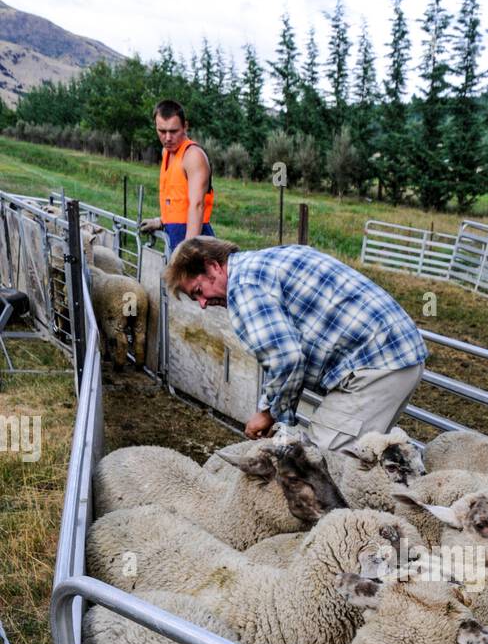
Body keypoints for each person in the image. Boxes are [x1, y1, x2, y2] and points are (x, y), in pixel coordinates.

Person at [163, 237, 428, 448]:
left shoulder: (243, 287)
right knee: (362, 458)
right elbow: (282, 354)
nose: (203, 304)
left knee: (323, 464)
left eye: (198, 292)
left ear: (213, 266)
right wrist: (270, 408)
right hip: (397, 353)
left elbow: (286, 359)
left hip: (375, 364)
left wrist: (269, 414)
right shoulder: (265, 261)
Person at [140, 100, 215, 253]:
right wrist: (160, 221)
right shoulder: (166, 152)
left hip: (195, 240)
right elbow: (177, 198)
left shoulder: (193, 156)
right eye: (162, 131)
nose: (167, 138)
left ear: (185, 126)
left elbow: (197, 205)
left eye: (173, 131)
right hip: (174, 235)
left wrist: (187, 252)